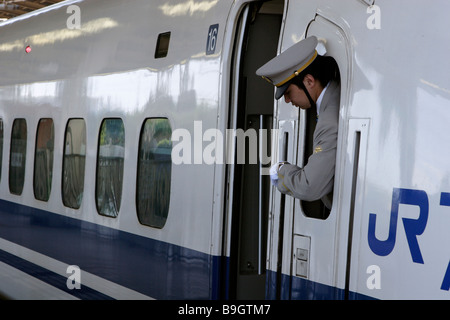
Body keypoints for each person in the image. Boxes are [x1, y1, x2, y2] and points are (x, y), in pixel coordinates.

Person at [256, 36, 340, 209]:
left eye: (288, 92)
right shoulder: (334, 99)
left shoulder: (329, 120)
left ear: (309, 81)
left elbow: (309, 186)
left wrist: (279, 171)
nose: (287, 100)